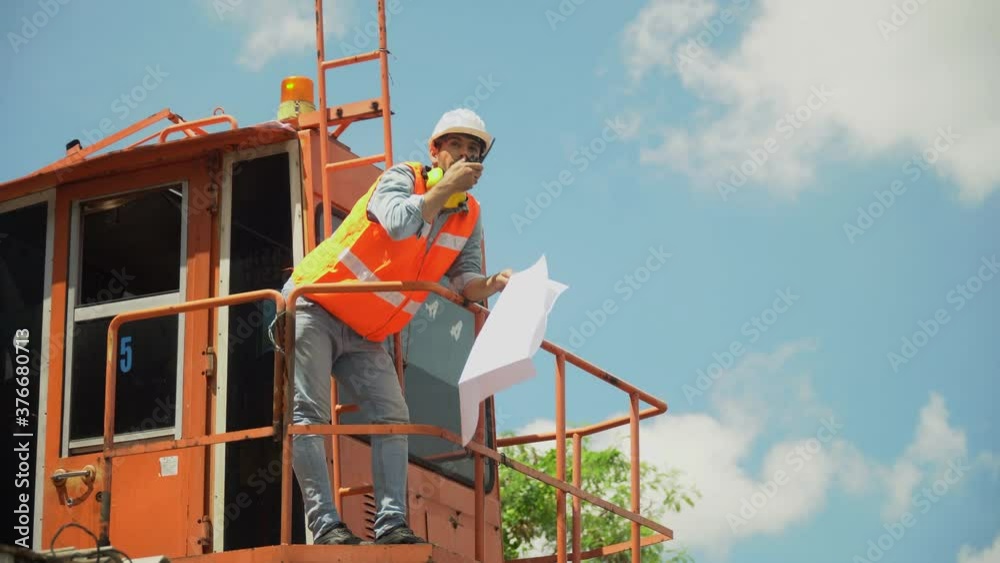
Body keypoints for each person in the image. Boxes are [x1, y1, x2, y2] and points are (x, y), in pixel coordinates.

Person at [279, 108, 511, 545]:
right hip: (318, 302)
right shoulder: (402, 177)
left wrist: (494, 284)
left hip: (368, 330)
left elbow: (465, 281)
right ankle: (325, 524)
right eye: (457, 146)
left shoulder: (470, 215)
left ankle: (389, 524)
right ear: (436, 152)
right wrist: (443, 190)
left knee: (392, 416)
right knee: (308, 415)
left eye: (474, 150)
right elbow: (398, 223)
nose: (465, 155)